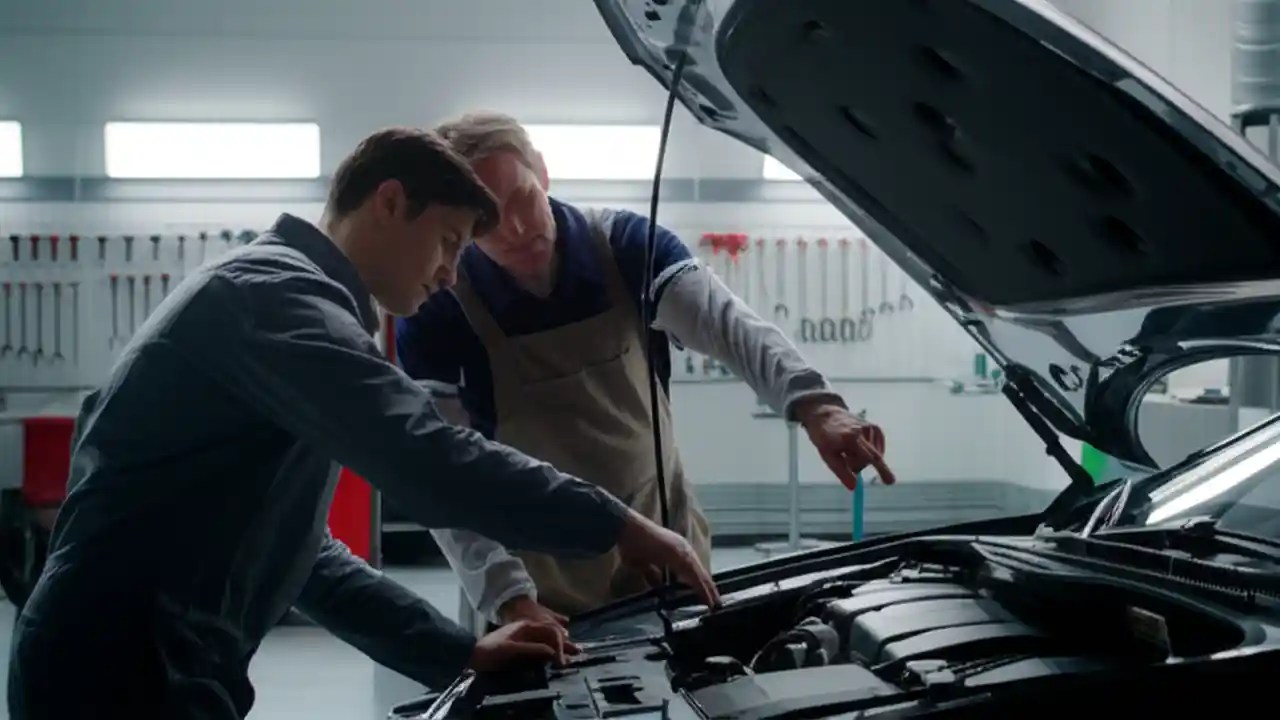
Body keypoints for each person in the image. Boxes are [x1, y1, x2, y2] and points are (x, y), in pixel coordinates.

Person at [6, 127, 718, 720]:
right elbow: (429, 458)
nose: (449, 275)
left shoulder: (286, 302)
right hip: (113, 671)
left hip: (150, 663)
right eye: (446, 242)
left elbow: (303, 557)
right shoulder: (275, 301)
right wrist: (618, 524)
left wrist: (456, 653)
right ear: (388, 202)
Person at [395, 111, 896, 631]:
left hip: (664, 542)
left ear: (542, 172)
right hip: (534, 574)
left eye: (522, 197)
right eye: (488, 219)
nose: (516, 228)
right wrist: (505, 595)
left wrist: (816, 405)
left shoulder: (625, 247)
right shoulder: (441, 303)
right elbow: (440, 472)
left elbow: (728, 325)